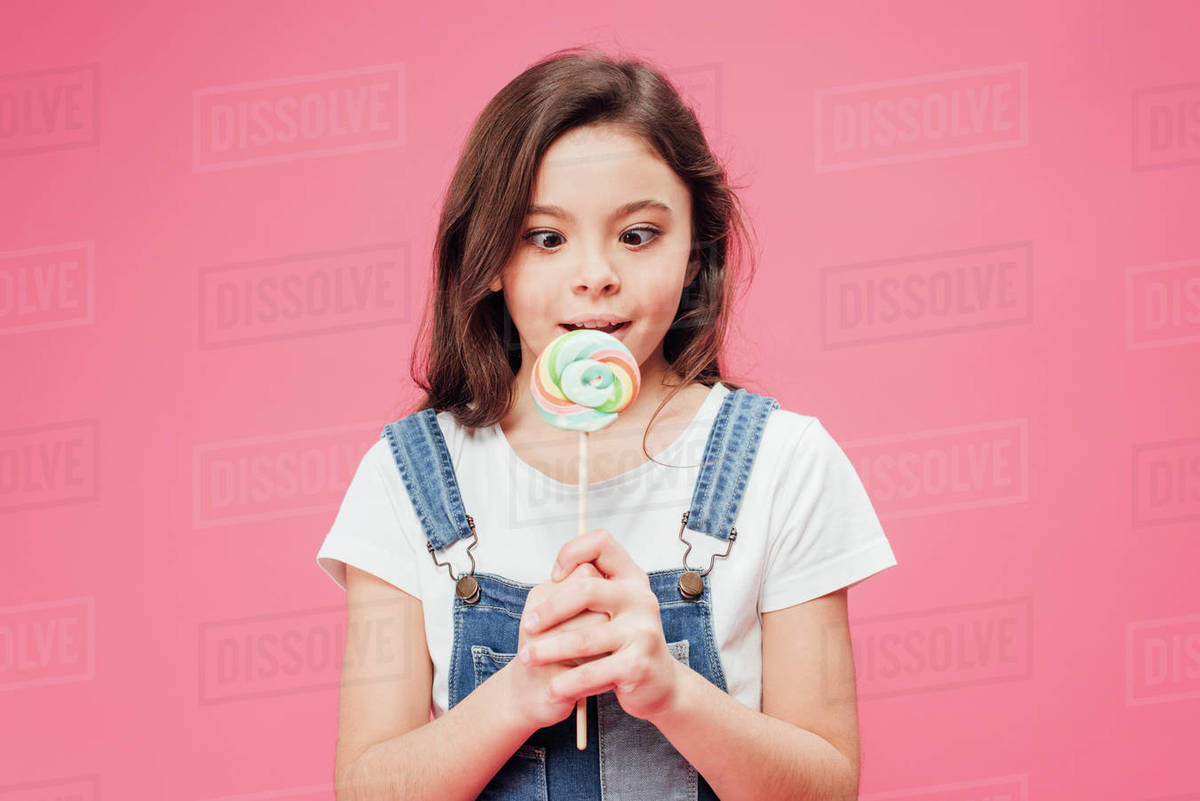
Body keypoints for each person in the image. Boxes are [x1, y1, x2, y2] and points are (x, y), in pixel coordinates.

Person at [315, 46, 898, 801]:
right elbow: (366, 788)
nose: (596, 273)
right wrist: (519, 692)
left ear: (696, 252)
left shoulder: (786, 464)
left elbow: (827, 788)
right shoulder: (406, 475)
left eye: (639, 234)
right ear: (489, 257)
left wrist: (669, 692)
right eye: (546, 237)